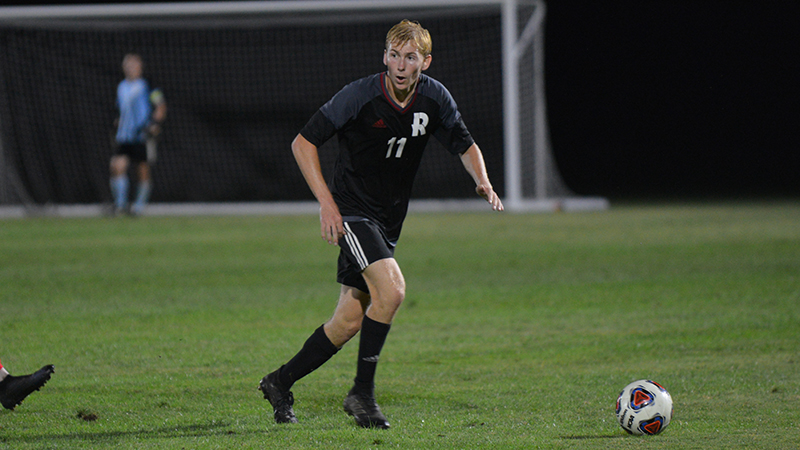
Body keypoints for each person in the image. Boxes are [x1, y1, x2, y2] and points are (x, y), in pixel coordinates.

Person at [258, 20, 504, 429]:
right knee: (391, 292)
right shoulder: (360, 96)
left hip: (388, 220)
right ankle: (362, 394)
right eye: (394, 54)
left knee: (348, 321)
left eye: (410, 57)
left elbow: (464, 142)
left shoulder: (434, 97)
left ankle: (279, 382)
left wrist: (482, 179)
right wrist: (328, 206)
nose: (400, 65)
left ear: (425, 61)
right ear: (384, 56)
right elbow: (303, 143)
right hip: (353, 212)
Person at [109, 53, 167, 216]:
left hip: (142, 135)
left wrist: (154, 124)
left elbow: (161, 107)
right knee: (116, 166)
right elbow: (121, 110)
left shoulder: (148, 85)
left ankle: (139, 207)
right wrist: (118, 122)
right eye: (127, 65)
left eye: (134, 65)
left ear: (140, 67)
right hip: (124, 136)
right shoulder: (121, 86)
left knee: (142, 170)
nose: (130, 68)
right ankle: (120, 205)